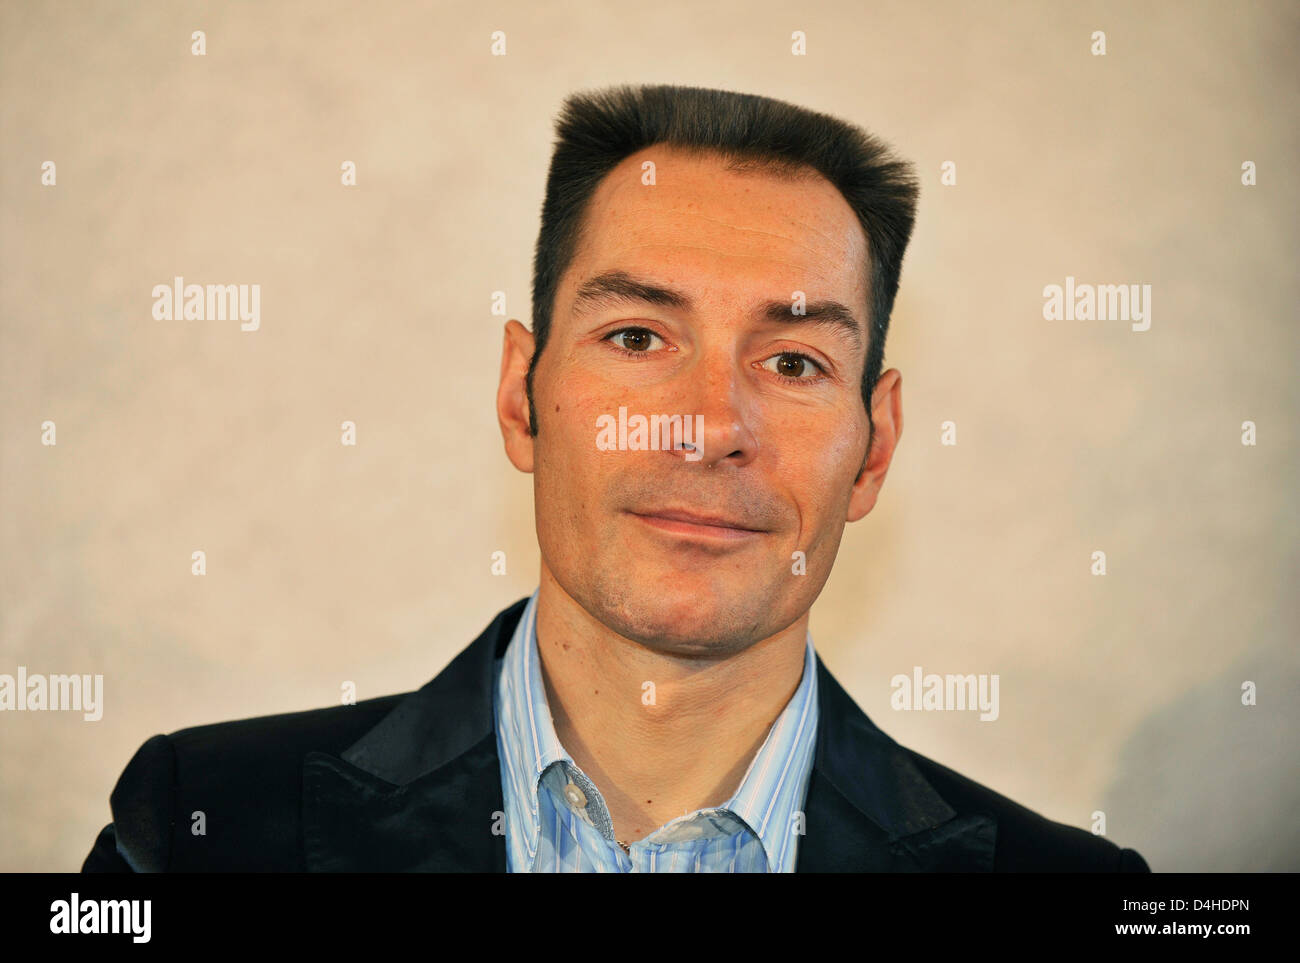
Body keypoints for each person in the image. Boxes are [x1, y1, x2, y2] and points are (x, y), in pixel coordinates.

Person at [83, 83, 1149, 872]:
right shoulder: (196, 830)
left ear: (873, 447)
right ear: (521, 396)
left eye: (791, 362)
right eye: (638, 337)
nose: (708, 427)